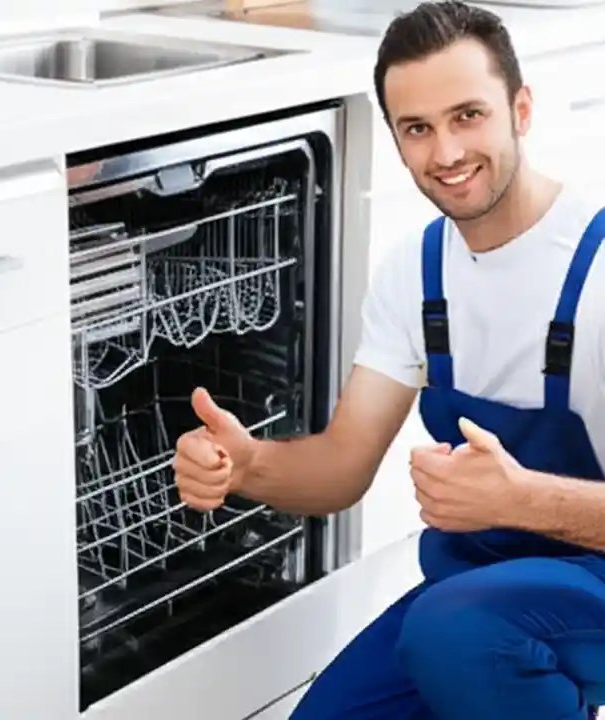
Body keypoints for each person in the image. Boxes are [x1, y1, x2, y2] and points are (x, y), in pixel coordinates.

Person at [173, 2, 605, 718]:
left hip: (575, 587)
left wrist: (518, 499)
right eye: (418, 128)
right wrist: (248, 466)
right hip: (472, 596)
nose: (446, 154)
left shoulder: (596, 275)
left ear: (521, 110)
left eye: (468, 115)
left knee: (458, 635)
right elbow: (343, 465)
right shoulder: (419, 272)